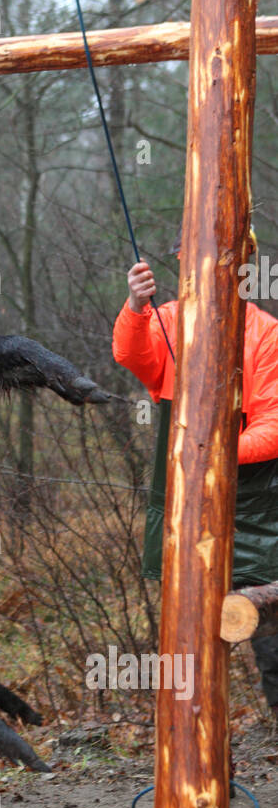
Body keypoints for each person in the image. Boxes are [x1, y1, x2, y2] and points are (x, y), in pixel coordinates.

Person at [113, 247, 278, 723]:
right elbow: (130, 353)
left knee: (272, 645)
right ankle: (194, 758)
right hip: (185, 514)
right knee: (189, 649)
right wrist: (136, 305)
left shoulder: (263, 332)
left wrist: (215, 456)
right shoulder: (168, 320)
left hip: (256, 515)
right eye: (194, 261)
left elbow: (272, 424)